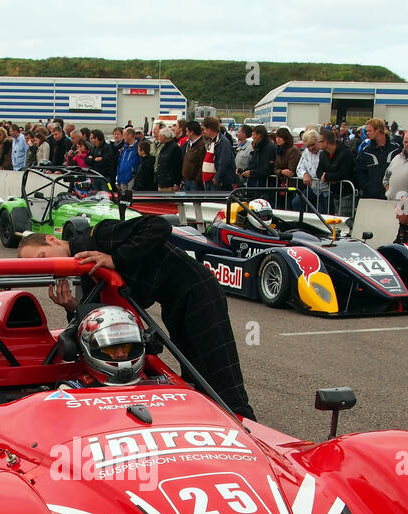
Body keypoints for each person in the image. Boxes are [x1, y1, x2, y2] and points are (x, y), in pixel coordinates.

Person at [17, 215, 254, 418]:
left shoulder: (97, 237)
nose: (48, 264)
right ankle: (212, 422)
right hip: (174, 300)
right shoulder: (87, 267)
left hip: (197, 290)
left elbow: (159, 225)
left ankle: (246, 426)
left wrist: (116, 259)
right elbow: (104, 317)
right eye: (42, 267)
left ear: (52, 239)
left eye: (43, 256)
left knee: (218, 373)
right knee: (194, 371)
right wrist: (72, 306)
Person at [355, 118, 397, 198]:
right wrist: (367, 187)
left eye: (369, 131)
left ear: (377, 130)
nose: (367, 133)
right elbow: (359, 172)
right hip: (371, 196)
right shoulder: (365, 151)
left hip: (391, 196)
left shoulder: (395, 149)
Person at [383, 131, 408, 200]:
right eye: (405, 142)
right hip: (391, 202)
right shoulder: (397, 158)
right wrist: (388, 192)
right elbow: (386, 178)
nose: (407, 144)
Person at [203, 116, 237, 190]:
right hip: (208, 180)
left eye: (205, 129)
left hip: (217, 182)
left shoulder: (223, 142)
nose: (204, 131)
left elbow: (224, 161)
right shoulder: (212, 141)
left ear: (210, 129)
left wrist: (218, 177)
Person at [242, 125, 276, 189]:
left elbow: (267, 168)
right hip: (255, 184)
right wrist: (243, 171)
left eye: (254, 135)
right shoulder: (258, 147)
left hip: (265, 186)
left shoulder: (269, 148)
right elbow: (253, 164)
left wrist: (252, 173)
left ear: (260, 135)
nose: (253, 137)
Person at [180, 120, 205, 192]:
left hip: (195, 182)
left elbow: (201, 164)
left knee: (195, 202)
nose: (186, 134)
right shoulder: (188, 144)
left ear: (192, 132)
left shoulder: (202, 145)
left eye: (187, 131)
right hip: (186, 180)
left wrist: (197, 179)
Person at [154, 126, 182, 191]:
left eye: (160, 136)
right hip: (162, 182)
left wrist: (176, 183)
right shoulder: (164, 146)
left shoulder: (175, 148)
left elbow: (178, 166)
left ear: (165, 136)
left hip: (169, 184)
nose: (159, 137)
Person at [115, 126, 139, 198]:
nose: (123, 137)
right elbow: (120, 164)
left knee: (130, 199)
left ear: (130, 135)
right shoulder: (124, 149)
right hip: (122, 178)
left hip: (131, 178)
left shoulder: (137, 147)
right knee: (123, 199)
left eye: (124, 135)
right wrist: (118, 180)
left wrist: (134, 175)